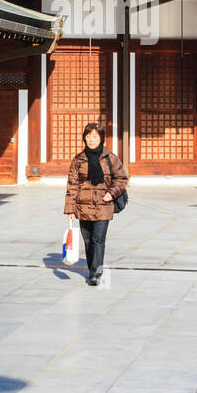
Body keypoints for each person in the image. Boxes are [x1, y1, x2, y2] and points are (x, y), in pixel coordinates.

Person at [64, 121, 128, 286]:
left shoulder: (110, 158)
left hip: (103, 204)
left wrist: (111, 194)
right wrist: (70, 208)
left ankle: (95, 273)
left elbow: (121, 179)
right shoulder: (78, 160)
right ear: (84, 138)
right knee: (87, 240)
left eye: (95, 136)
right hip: (83, 205)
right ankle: (92, 267)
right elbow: (72, 185)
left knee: (98, 239)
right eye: (88, 136)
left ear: (101, 138)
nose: (91, 139)